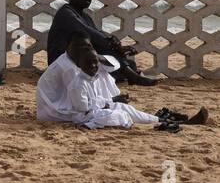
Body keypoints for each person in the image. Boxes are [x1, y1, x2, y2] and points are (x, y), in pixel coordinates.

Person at [37, 34, 205, 130]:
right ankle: (162, 123)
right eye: (81, 50)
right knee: (120, 113)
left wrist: (96, 57)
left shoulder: (79, 63)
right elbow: (81, 107)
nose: (86, 53)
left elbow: (112, 66)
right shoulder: (70, 70)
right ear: (69, 49)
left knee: (104, 74)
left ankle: (160, 120)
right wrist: (109, 102)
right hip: (60, 111)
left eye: (88, 49)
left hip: (81, 106)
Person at [46, 0, 157, 86]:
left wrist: (114, 42)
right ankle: (133, 77)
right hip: (61, 62)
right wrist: (114, 45)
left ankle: (128, 74)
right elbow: (90, 33)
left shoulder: (84, 15)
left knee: (128, 64)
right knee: (107, 52)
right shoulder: (66, 14)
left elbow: (97, 33)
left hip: (77, 58)